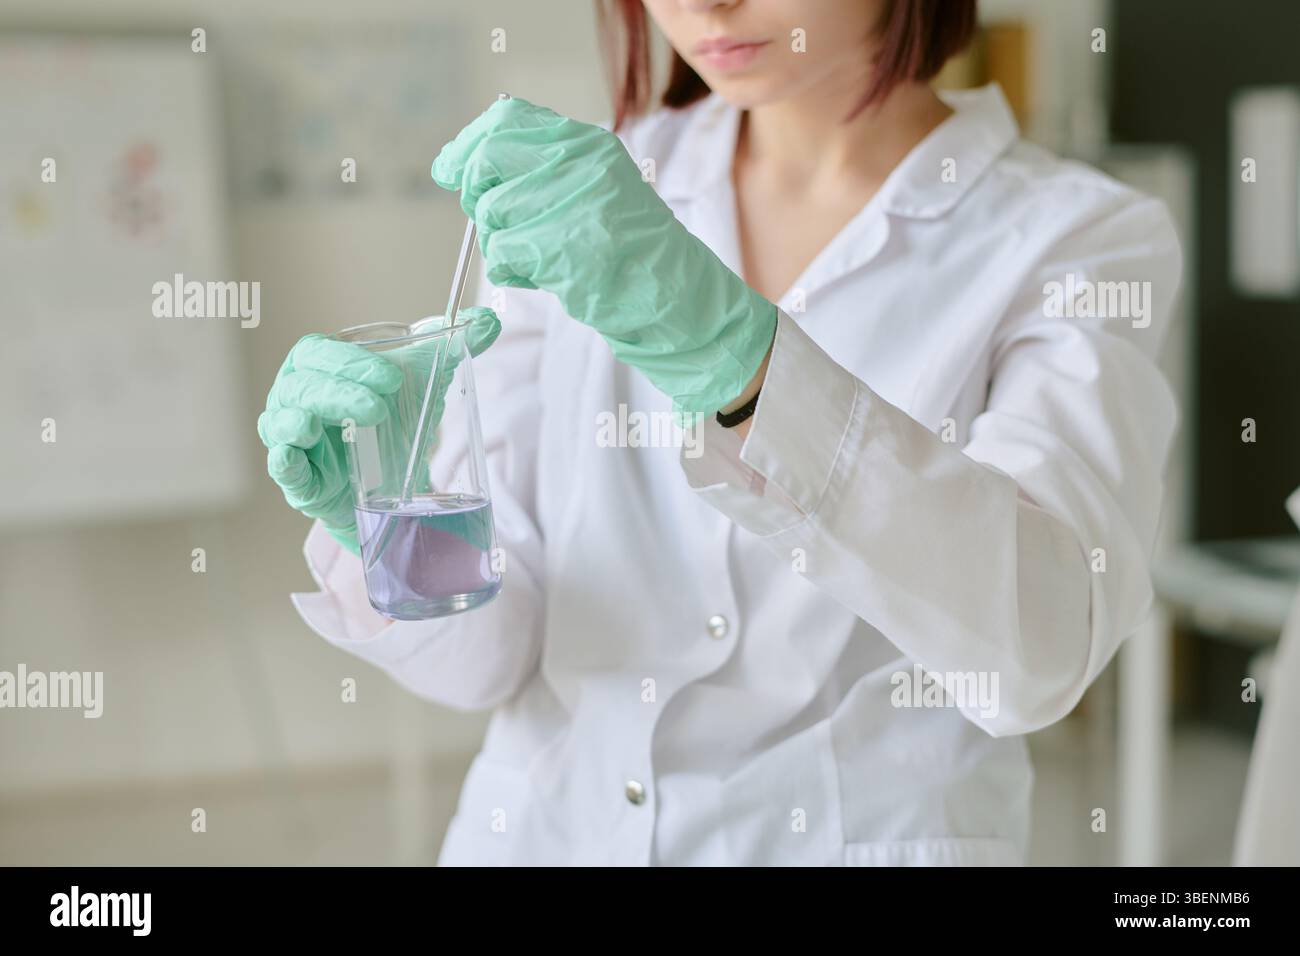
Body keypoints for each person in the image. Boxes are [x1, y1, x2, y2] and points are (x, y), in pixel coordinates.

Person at [260, 0, 1181, 865]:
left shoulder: (1078, 239)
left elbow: (1043, 647)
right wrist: (389, 528)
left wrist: (741, 361)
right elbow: (491, 663)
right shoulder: (582, 197)